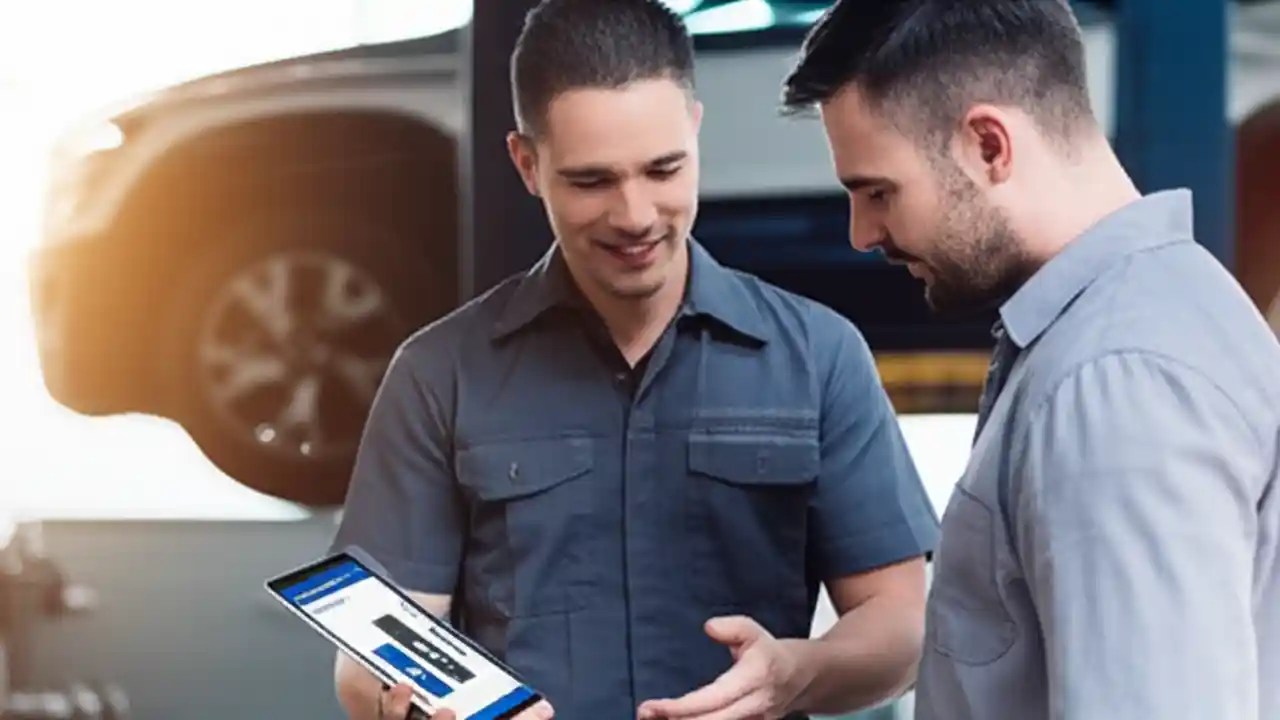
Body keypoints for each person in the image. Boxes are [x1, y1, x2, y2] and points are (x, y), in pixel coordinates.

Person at [330, 1, 941, 719]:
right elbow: (371, 654)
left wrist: (798, 673)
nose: (635, 215)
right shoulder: (438, 377)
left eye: (663, 169)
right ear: (528, 164)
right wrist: (422, 707)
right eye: (592, 181)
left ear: (696, 132)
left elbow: (901, 623)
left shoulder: (819, 357)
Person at [781, 1, 1280, 718]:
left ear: (990, 145)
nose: (864, 233)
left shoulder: (1115, 377)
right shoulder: (1132, 329)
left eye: (878, 191)